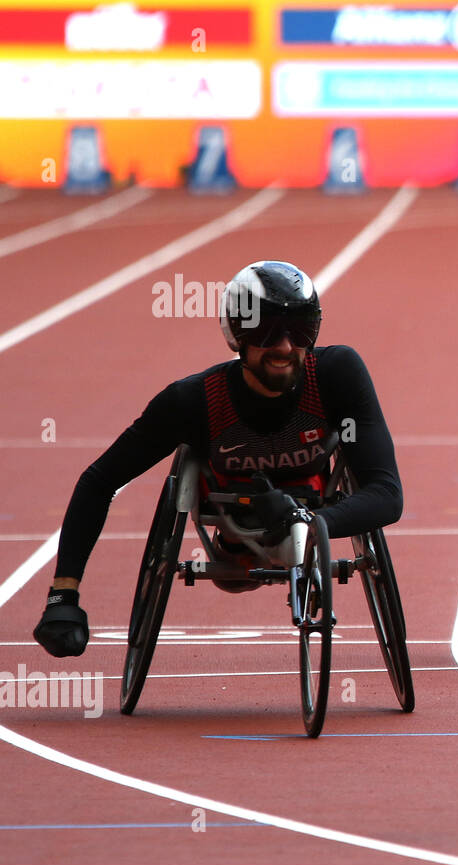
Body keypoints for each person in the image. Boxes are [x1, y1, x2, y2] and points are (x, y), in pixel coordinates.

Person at [33, 261, 402, 658]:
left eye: (300, 330)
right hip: (232, 526)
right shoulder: (192, 402)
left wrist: (310, 522)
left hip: (308, 505)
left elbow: (386, 493)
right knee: (235, 574)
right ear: (236, 336)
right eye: (266, 331)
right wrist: (63, 595)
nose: (283, 346)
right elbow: (100, 480)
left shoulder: (336, 374)